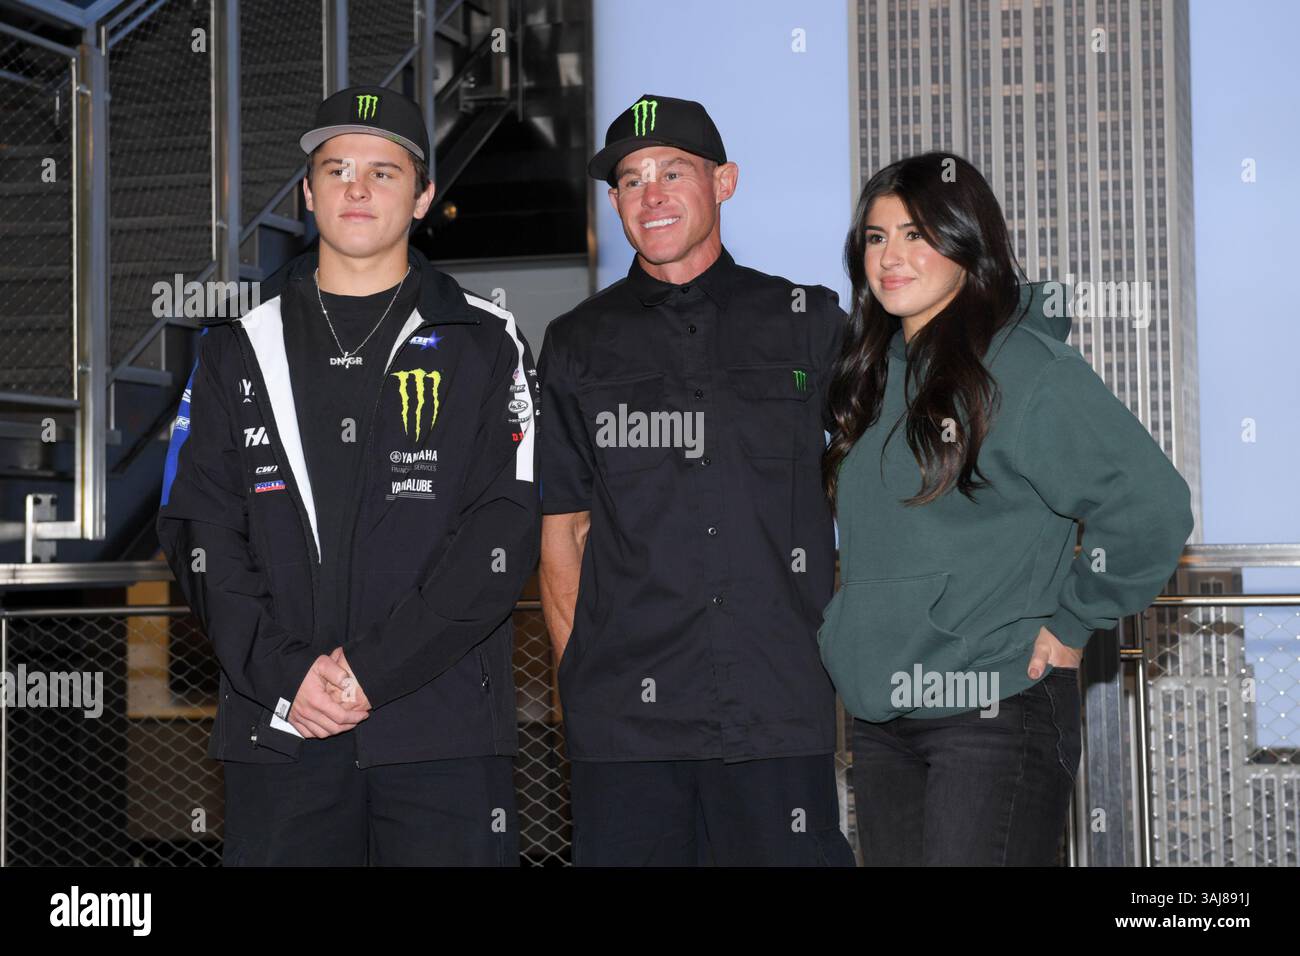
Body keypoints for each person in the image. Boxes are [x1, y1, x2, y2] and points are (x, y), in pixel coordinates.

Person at [157, 85, 540, 865]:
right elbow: (198, 531)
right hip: (282, 733)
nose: (356, 189)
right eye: (335, 170)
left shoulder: (486, 342)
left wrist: (373, 669)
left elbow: (501, 534)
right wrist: (286, 673)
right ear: (307, 193)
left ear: (424, 194)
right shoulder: (235, 348)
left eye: (383, 172)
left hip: (444, 738)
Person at [819, 151, 1195, 865]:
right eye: (877, 237)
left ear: (968, 244)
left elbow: (1151, 507)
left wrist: (1075, 621)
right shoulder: (871, 376)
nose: (892, 257)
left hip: (992, 710)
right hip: (880, 718)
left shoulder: (1025, 368)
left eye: (917, 234)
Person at [538, 93, 856, 866]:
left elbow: (878, 483)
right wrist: (584, 689)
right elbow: (562, 531)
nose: (651, 194)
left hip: (780, 706)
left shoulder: (808, 319)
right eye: (631, 179)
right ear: (615, 202)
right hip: (627, 729)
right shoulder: (575, 343)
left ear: (725, 182)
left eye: (673, 171)